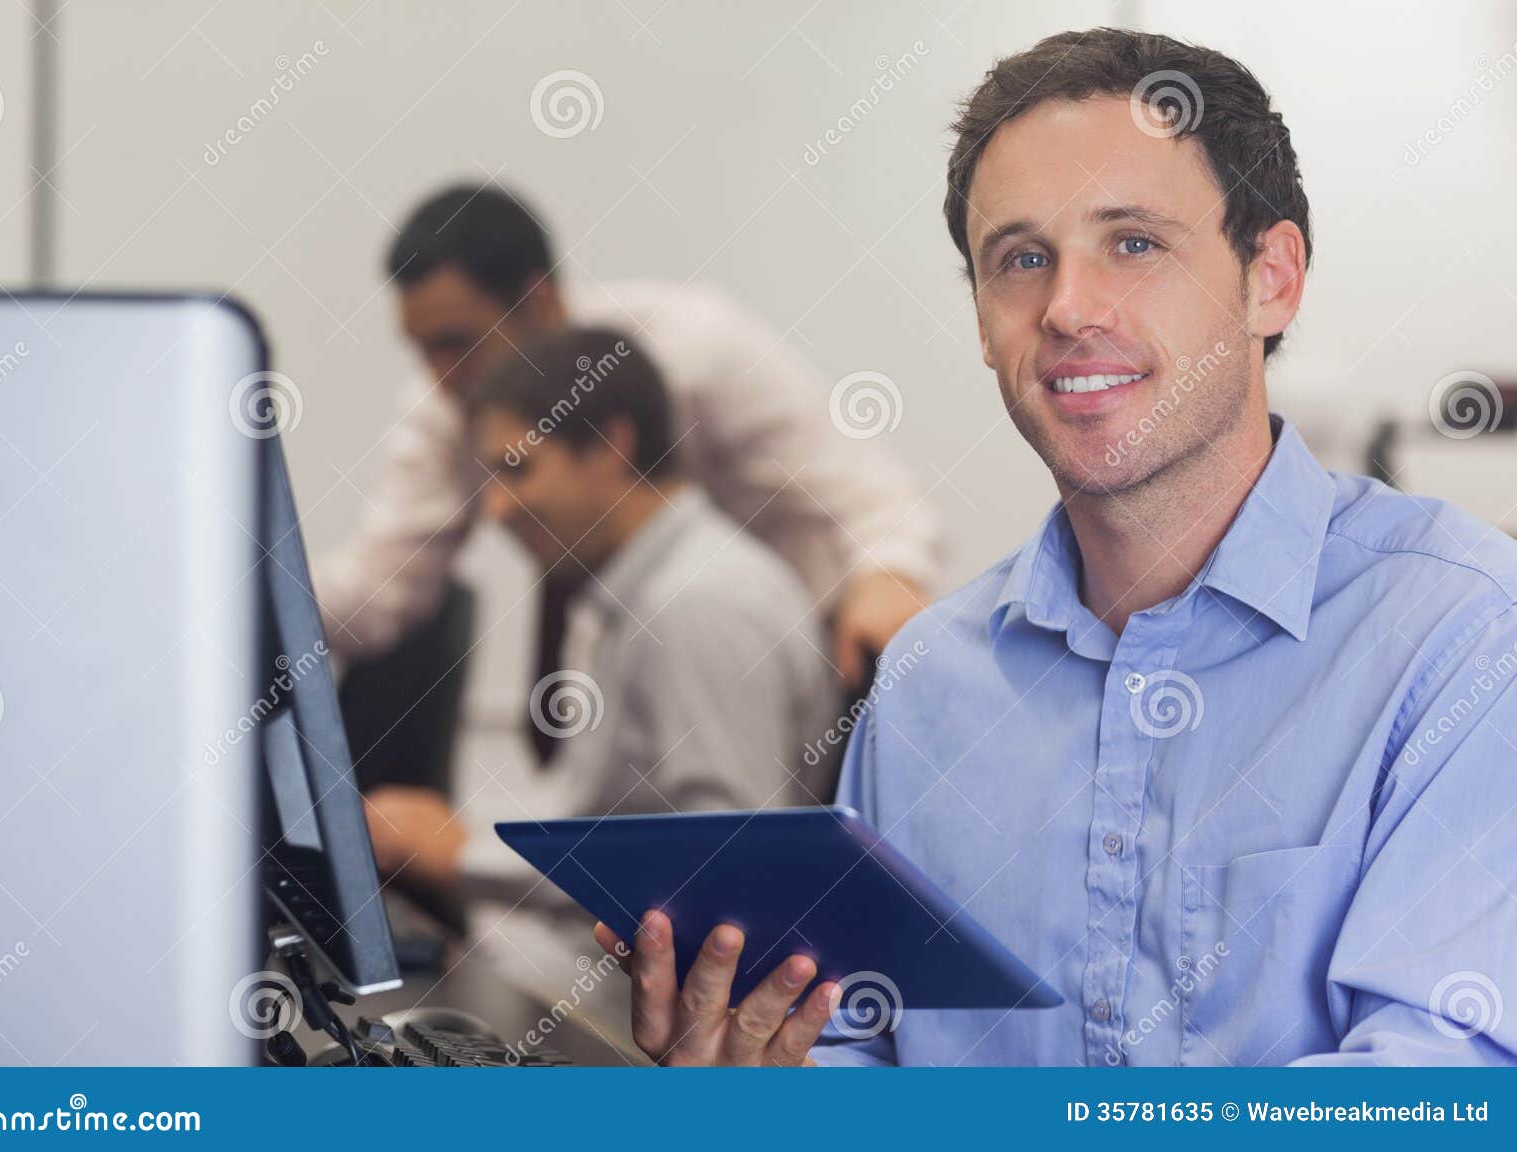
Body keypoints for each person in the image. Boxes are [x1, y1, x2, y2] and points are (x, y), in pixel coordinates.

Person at [594, 27, 1517, 1066]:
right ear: (984, 323)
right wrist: (755, 1087)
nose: (1068, 309)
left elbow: (1442, 1098)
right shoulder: (925, 683)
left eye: (1133, 242)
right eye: (1021, 259)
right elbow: (865, 1058)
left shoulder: (1468, 638)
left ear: (1273, 278)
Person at [313, 183, 942, 728]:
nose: (441, 375)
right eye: (421, 349)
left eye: (456, 343)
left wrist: (887, 581)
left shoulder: (698, 348)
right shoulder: (447, 404)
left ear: (538, 301)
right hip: (641, 689)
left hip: (812, 680)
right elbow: (380, 591)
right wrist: (245, 595)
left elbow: (873, 499)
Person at [365, 326, 840, 1033]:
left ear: (612, 444)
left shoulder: (697, 605)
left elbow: (724, 874)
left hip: (623, 1030)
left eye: (517, 469)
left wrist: (460, 855)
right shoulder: (650, 592)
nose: (495, 509)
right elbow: (630, 822)